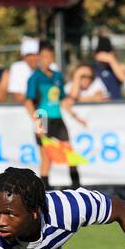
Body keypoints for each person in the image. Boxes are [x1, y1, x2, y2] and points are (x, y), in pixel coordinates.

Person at [26, 40, 87, 190]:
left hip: (58, 119)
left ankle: (77, 188)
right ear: (39, 58)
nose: (45, 60)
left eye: (48, 57)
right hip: (43, 119)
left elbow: (63, 100)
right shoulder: (35, 78)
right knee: (46, 158)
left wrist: (75, 116)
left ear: (52, 58)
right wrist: (37, 123)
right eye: (43, 57)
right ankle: (44, 191)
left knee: (69, 153)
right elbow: (28, 102)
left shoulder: (57, 76)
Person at [91, 36, 125, 100]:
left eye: (107, 52)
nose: (104, 56)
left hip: (116, 104)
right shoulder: (92, 68)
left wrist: (112, 60)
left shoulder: (117, 67)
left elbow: (124, 80)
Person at [6, 37, 39, 103]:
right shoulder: (16, 67)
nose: (33, 58)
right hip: (23, 109)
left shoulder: (51, 66)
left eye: (35, 55)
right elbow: (16, 96)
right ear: (23, 57)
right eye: (29, 55)